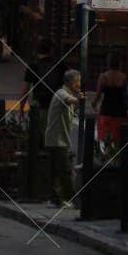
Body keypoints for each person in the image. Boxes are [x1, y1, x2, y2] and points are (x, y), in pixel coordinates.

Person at [44, 68, 82, 208]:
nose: (79, 84)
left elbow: (72, 108)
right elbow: (70, 100)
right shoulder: (62, 93)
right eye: (78, 81)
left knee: (56, 171)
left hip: (57, 138)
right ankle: (71, 199)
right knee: (65, 170)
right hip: (57, 139)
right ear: (72, 82)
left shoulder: (65, 93)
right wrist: (78, 99)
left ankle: (54, 199)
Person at [94, 51, 128, 154]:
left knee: (105, 140)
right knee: (120, 142)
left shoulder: (103, 77)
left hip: (105, 112)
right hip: (121, 113)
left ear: (108, 63)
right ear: (120, 63)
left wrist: (93, 105)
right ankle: (118, 163)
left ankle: (107, 163)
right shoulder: (125, 78)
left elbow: (97, 96)